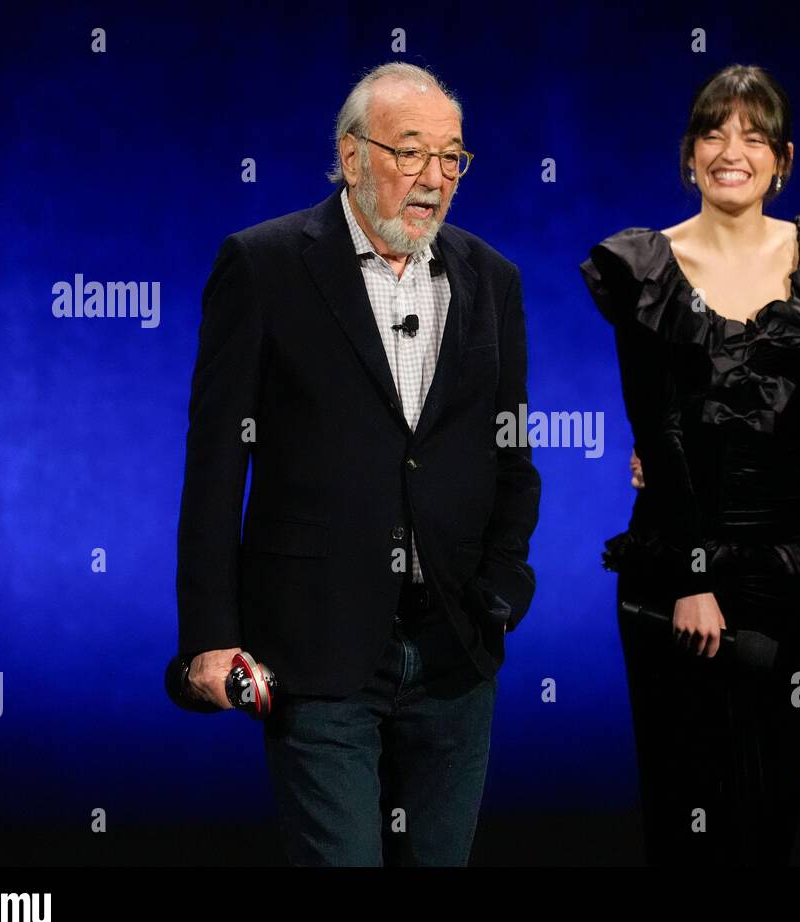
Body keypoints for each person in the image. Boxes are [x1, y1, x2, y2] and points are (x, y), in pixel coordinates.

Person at [173, 62, 540, 866]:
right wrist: (209, 637)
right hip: (317, 647)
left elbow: (512, 450)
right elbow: (214, 468)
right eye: (410, 153)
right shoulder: (264, 265)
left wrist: (507, 581)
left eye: (452, 158)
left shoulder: (493, 280)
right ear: (350, 156)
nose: (434, 178)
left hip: (454, 649)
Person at [581, 64, 800, 865]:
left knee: (772, 803)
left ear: (783, 158)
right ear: (689, 153)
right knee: (687, 806)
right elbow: (656, 429)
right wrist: (694, 580)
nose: (732, 149)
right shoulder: (644, 266)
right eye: (714, 131)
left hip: (794, 561)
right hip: (679, 561)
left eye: (754, 134)